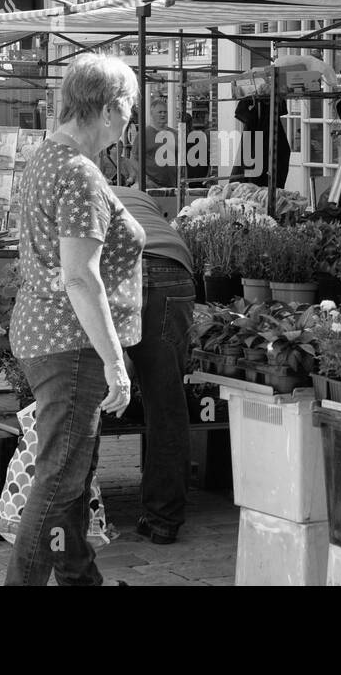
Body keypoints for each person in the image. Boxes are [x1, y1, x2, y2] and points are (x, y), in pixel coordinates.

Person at [5, 53, 144, 586]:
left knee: (70, 471)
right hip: (72, 342)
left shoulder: (50, 155)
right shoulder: (79, 173)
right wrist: (115, 361)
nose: (131, 120)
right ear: (109, 109)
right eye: (129, 108)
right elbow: (81, 277)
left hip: (45, 333)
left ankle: (80, 578)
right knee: (60, 477)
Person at [112, 185, 193, 545]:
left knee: (86, 392)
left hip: (118, 268)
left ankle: (80, 511)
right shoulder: (135, 193)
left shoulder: (73, 186)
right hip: (173, 269)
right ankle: (163, 520)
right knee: (166, 402)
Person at [142, 99, 178, 189]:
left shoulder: (175, 134)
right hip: (152, 185)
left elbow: (181, 159)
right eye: (160, 112)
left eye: (165, 112)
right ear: (152, 114)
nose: (163, 114)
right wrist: (143, 178)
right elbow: (134, 159)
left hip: (173, 185)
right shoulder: (144, 134)